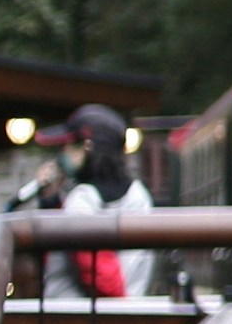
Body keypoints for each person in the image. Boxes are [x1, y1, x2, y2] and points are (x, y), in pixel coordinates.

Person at [27, 103, 158, 304]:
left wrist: (126, 322)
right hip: (129, 321)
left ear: (87, 146)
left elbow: (99, 270)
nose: (63, 152)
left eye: (70, 145)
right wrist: (50, 202)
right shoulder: (139, 196)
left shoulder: (81, 198)